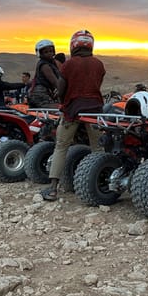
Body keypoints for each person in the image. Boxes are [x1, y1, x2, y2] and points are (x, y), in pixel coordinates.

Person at [41, 30, 106, 201]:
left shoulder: (69, 64)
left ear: (73, 45)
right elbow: (97, 85)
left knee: (61, 146)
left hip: (72, 111)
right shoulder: (99, 64)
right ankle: (100, 184)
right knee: (98, 148)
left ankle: (53, 189)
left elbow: (61, 89)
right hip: (95, 111)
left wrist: (64, 102)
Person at [28, 39, 62, 108]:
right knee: (59, 109)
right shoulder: (44, 65)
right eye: (46, 52)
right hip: (41, 94)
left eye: (51, 51)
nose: (49, 53)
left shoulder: (52, 63)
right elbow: (54, 81)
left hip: (47, 93)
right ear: (40, 54)